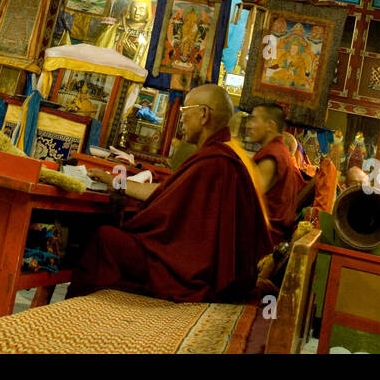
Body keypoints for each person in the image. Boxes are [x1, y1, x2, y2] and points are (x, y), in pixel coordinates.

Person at [69, 84, 272, 303]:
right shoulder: (220, 157)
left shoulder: (213, 161)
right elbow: (169, 195)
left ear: (203, 114)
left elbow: (164, 208)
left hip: (185, 270)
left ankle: (72, 314)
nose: (181, 119)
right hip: (203, 265)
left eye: (185, 111)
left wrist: (120, 191)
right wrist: (117, 182)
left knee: (106, 238)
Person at [246, 103, 306, 245]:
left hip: (261, 240)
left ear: (270, 125)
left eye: (254, 119)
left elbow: (249, 199)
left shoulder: (271, 155)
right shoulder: (281, 151)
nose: (249, 125)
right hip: (273, 237)